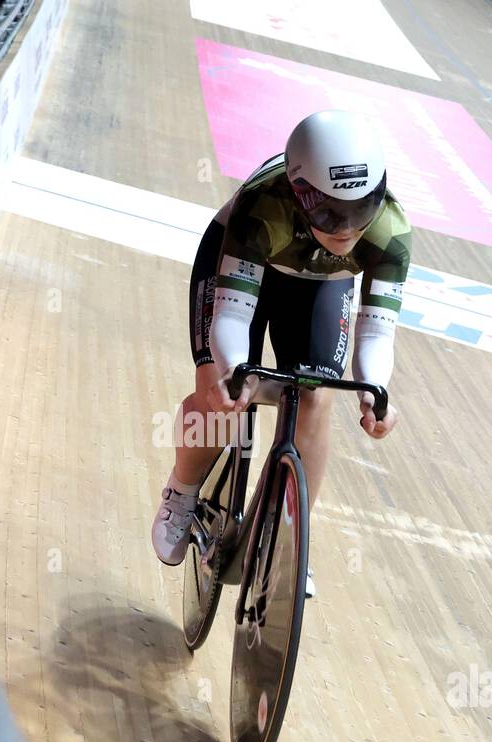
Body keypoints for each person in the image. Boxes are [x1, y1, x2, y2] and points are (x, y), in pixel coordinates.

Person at [150, 111, 408, 597]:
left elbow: (376, 334)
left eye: (361, 210)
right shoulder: (262, 208)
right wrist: (231, 372)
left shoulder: (390, 230)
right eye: (331, 213)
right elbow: (230, 317)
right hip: (244, 264)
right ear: (298, 193)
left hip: (321, 284)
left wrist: (377, 393)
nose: (347, 229)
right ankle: (182, 489)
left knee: (315, 399)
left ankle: (289, 543)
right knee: (221, 396)